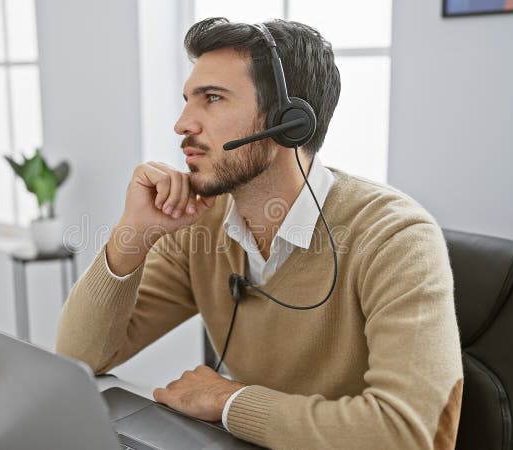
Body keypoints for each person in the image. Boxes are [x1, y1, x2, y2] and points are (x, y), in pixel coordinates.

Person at [56, 17, 463, 450]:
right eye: (188, 100)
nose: (182, 124)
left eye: (213, 98)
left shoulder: (397, 238)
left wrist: (229, 400)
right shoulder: (200, 225)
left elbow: (406, 433)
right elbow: (80, 358)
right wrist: (132, 234)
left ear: (289, 123)